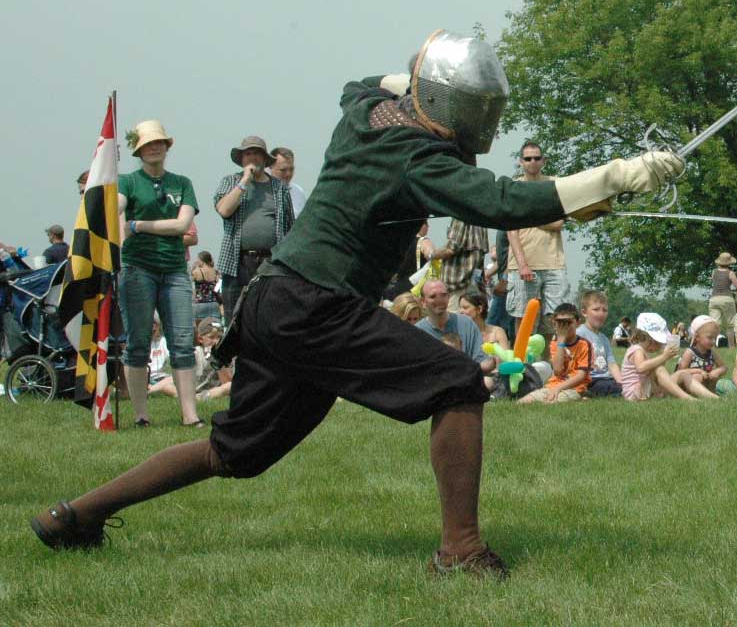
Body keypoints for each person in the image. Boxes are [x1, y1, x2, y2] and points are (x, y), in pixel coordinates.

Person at [31, 29, 681, 580]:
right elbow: (504, 203)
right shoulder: (421, 160)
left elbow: (366, 81)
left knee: (234, 453)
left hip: (275, 302)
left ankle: (73, 516)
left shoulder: (365, 110)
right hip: (318, 305)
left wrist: (586, 189)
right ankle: (460, 551)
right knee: (457, 382)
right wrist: (616, 174)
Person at [115, 119, 203, 428]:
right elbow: (118, 207)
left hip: (175, 270)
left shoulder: (182, 183)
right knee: (138, 341)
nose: (155, 147)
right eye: (148, 144)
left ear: (167, 147)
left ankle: (190, 415)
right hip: (138, 269)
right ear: (138, 151)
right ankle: (141, 415)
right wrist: (111, 200)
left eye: (159, 143)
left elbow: (182, 226)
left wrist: (137, 225)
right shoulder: (127, 181)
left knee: (181, 340)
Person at [213, 135, 296, 326]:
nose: (252, 158)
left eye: (257, 154)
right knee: (235, 321)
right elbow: (224, 210)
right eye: (248, 153)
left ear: (265, 159)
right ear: (241, 159)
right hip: (237, 262)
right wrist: (244, 182)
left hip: (270, 262)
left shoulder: (279, 188)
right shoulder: (230, 181)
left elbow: (290, 226)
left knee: (270, 318)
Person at [506, 141, 568, 336]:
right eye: (528, 158)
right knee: (525, 320)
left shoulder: (555, 184)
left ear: (543, 160)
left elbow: (558, 223)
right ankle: (523, 365)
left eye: (536, 158)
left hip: (554, 263)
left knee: (556, 320)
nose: (532, 162)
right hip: (523, 265)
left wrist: (527, 217)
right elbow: (511, 229)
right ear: (521, 162)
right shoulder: (513, 187)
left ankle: (549, 365)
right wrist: (523, 264)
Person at [518, 303, 591, 404]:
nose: (563, 326)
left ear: (577, 323)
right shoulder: (554, 343)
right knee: (523, 402)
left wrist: (558, 388)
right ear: (554, 323)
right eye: (559, 322)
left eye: (568, 322)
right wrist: (561, 340)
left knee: (549, 403)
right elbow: (557, 371)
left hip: (575, 388)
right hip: (553, 385)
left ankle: (582, 397)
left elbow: (581, 376)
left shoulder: (584, 345)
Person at [619, 312, 695, 401]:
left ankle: (712, 397)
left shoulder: (642, 350)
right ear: (648, 340)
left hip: (644, 386)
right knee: (660, 369)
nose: (659, 345)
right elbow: (640, 367)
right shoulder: (637, 350)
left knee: (682, 374)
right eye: (658, 342)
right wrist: (664, 356)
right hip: (634, 392)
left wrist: (664, 356)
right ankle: (686, 398)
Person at [416, 279, 482, 358]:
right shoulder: (417, 332)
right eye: (433, 296)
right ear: (423, 302)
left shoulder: (467, 324)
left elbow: (481, 359)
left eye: (443, 295)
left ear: (449, 297)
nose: (439, 300)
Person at [576, 289, 621, 398]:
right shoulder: (579, 334)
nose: (601, 313)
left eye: (604, 310)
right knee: (610, 388)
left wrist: (622, 381)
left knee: (628, 383)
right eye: (596, 309)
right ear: (584, 312)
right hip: (590, 380)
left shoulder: (604, 338)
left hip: (606, 378)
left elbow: (611, 363)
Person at [434, 219, 488, 308]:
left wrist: (431, 254)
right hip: (472, 284)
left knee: (455, 319)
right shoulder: (481, 219)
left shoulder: (460, 218)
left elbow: (451, 249)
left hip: (457, 286)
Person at [677, 315, 726, 396]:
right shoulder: (690, 352)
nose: (713, 341)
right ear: (697, 337)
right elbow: (680, 372)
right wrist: (699, 371)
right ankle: (699, 395)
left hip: (705, 380)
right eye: (710, 337)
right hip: (687, 383)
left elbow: (724, 367)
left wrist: (717, 371)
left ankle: (710, 394)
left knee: (714, 377)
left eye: (715, 338)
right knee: (697, 377)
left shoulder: (711, 352)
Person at [707, 252, 737, 346]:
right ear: (729, 263)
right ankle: (732, 346)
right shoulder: (730, 273)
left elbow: (715, 282)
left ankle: (711, 345)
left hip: (714, 299)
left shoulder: (714, 272)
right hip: (727, 299)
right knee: (730, 324)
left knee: (715, 324)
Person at [269, 146, 308, 218]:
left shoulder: (299, 192)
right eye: (283, 170)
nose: (288, 174)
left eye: (291, 169)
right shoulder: (263, 192)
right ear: (271, 167)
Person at [190, 251, 222, 324]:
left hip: (200, 304)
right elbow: (217, 289)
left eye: (198, 259)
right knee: (215, 328)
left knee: (200, 329)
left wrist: (193, 268)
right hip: (214, 304)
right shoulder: (216, 272)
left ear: (202, 260)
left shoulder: (197, 271)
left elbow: (188, 282)